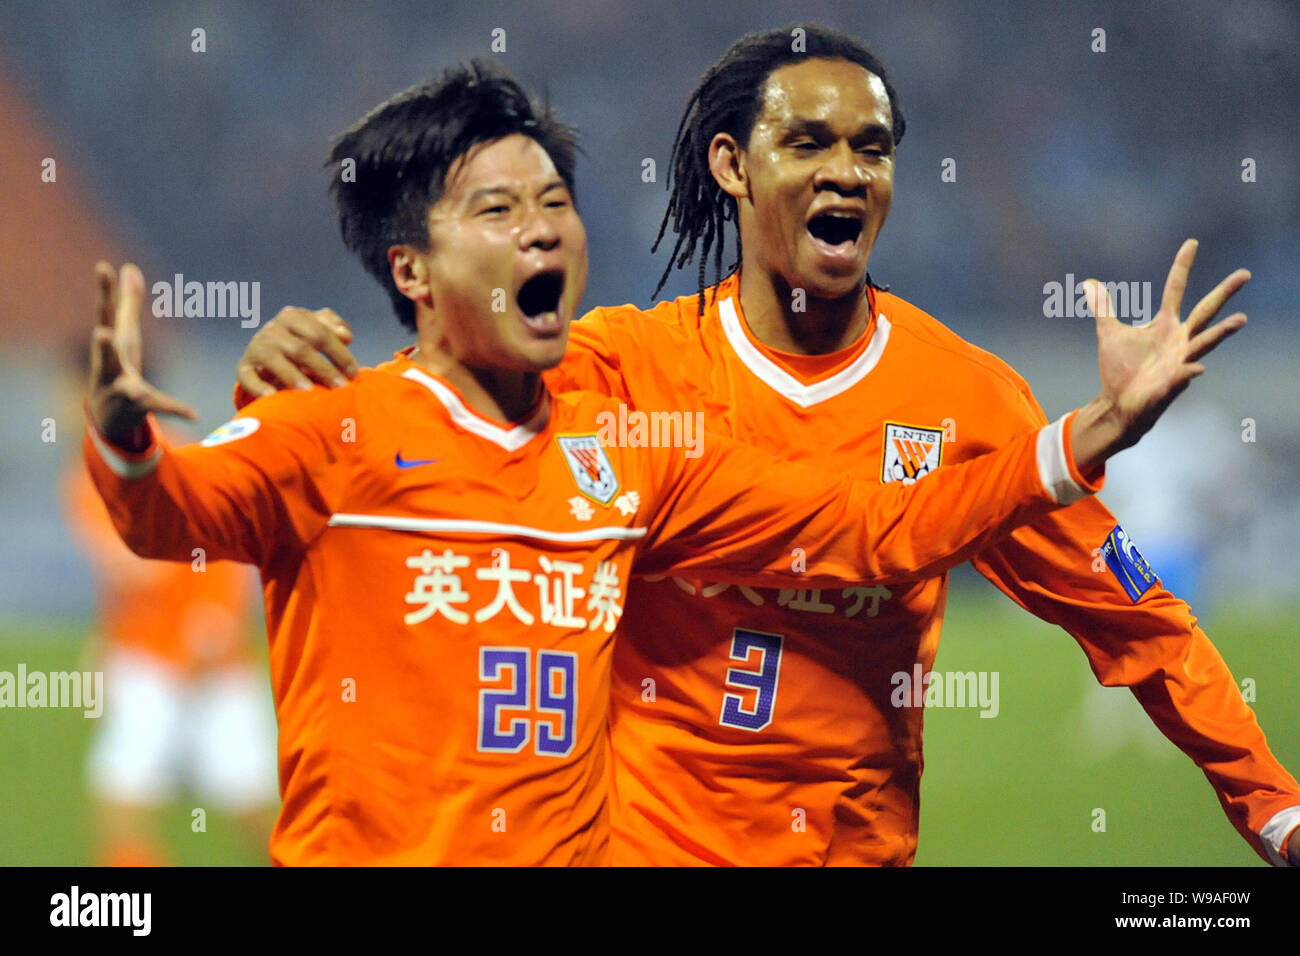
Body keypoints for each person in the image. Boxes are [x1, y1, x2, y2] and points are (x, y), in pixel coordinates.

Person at [92, 61, 1221, 866]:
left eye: (555, 203)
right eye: (499, 209)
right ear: (414, 267)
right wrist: (127, 437)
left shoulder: (631, 455)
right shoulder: (326, 427)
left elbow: (870, 529)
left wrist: (1080, 441)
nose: (544, 230)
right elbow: (172, 514)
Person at [58, 342, 277, 866]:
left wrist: (215, 622)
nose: (59, 406)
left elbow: (222, 548)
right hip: (148, 665)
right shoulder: (85, 474)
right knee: (121, 808)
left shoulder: (174, 457)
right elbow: (124, 582)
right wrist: (105, 650)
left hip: (212, 670)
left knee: (260, 818)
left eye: (68, 392)